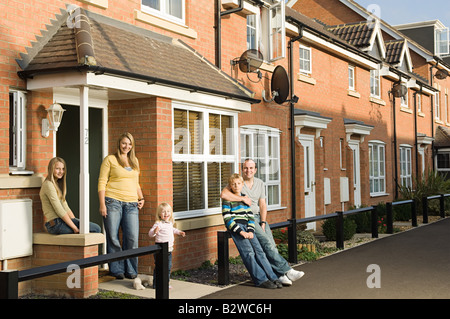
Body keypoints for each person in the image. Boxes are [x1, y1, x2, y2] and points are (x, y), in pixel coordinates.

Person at [221, 159, 305, 286]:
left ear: (255, 170)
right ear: (242, 169)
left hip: (258, 217)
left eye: (251, 168)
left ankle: (279, 275)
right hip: (248, 218)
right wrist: (242, 198)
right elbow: (224, 195)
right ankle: (287, 270)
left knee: (270, 245)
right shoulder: (237, 182)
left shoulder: (259, 183)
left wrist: (264, 222)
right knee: (265, 244)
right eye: (245, 168)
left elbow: (263, 204)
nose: (248, 170)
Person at [222, 173, 282, 289]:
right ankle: (260, 279)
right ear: (230, 186)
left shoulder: (245, 198)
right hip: (237, 228)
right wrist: (241, 232)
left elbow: (250, 217)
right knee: (249, 253)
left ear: (242, 184)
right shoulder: (228, 199)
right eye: (233, 184)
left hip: (248, 228)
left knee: (260, 251)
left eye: (239, 183)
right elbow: (227, 218)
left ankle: (272, 277)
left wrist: (250, 230)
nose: (236, 186)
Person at [98, 132, 144, 279]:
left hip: (131, 204)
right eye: (124, 143)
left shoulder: (134, 160)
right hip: (112, 202)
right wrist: (102, 204)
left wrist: (141, 197)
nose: (126, 146)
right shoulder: (110, 159)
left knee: (132, 238)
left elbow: (135, 183)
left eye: (129, 144)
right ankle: (117, 269)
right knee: (113, 236)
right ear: (119, 143)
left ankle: (131, 270)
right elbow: (101, 182)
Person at [40, 157, 101, 234]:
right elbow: (59, 209)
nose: (61, 171)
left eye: (63, 169)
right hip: (55, 225)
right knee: (95, 229)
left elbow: (65, 207)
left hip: (61, 221)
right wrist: (75, 227)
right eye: (57, 169)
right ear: (51, 169)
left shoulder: (57, 185)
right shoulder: (48, 185)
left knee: (95, 228)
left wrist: (75, 220)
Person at [148, 202, 186, 289]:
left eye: (168, 211)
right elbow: (150, 233)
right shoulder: (158, 223)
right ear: (159, 214)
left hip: (168, 250)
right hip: (160, 249)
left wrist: (179, 232)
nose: (166, 214)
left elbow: (172, 229)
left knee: (168, 267)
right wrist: (155, 231)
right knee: (159, 267)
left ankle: (166, 283)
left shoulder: (169, 223)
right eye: (163, 212)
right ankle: (156, 284)